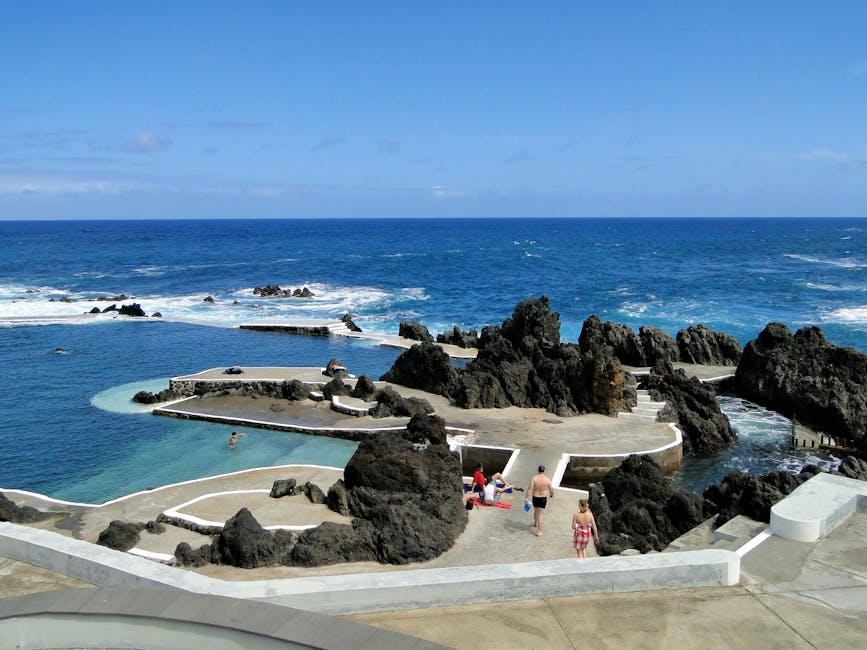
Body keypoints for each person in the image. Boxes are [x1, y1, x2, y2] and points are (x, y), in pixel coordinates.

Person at [526, 464, 554, 537]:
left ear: (538, 470)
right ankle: (539, 531)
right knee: (541, 514)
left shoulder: (534, 478)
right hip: (543, 498)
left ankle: (536, 523)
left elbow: (530, 489)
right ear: (544, 470)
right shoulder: (547, 479)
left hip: (535, 497)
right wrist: (551, 495)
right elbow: (551, 489)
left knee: (535, 511)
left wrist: (526, 497)